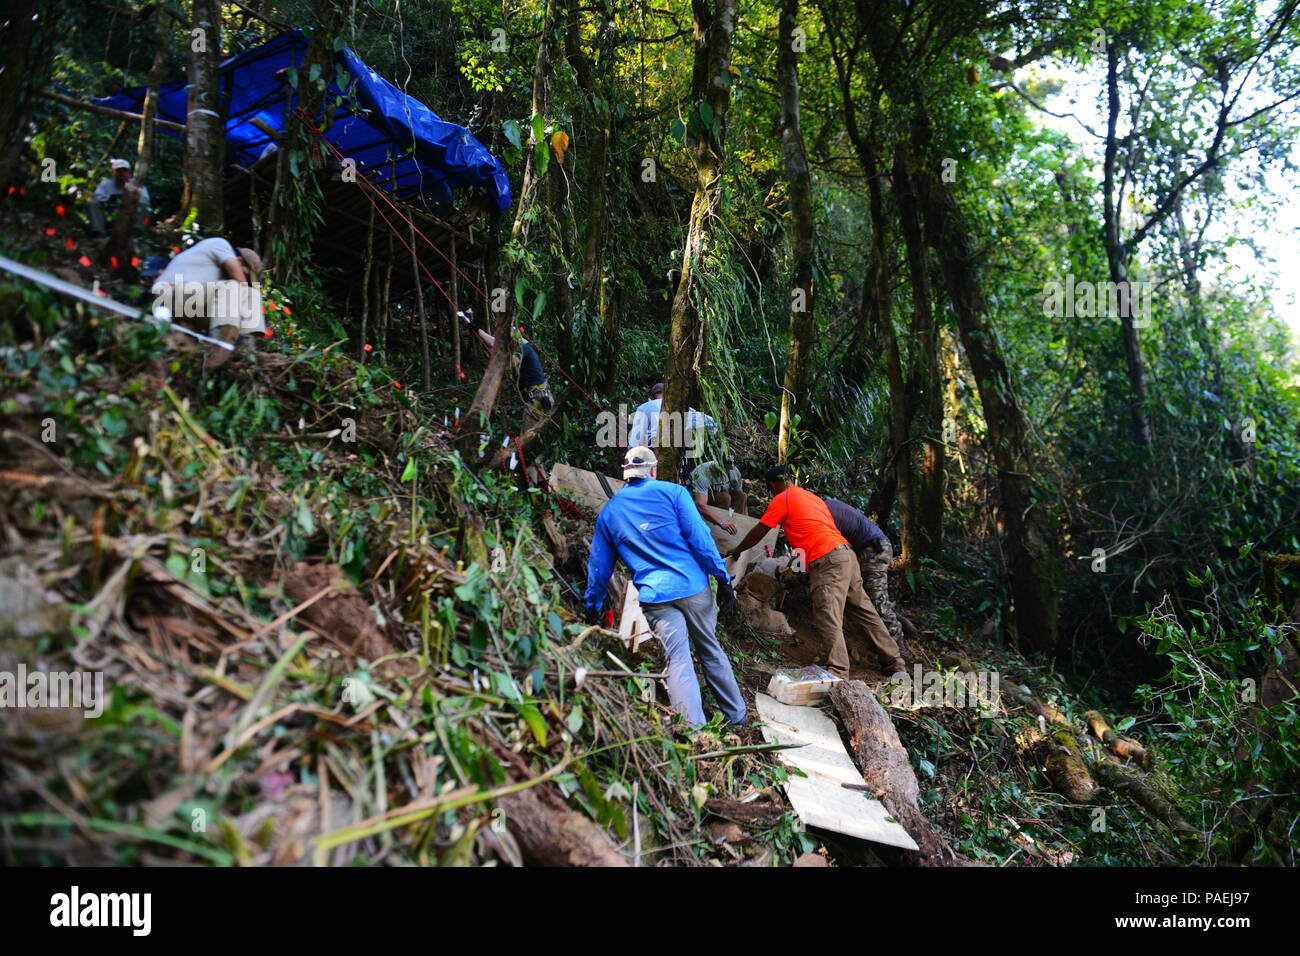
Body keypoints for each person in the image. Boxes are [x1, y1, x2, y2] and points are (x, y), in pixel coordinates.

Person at [584, 445, 745, 728]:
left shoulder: (609, 512)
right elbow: (700, 539)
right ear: (653, 471)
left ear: (626, 474)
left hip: (656, 598)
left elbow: (599, 567)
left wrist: (592, 606)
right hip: (693, 587)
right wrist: (722, 577)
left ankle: (694, 731)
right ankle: (737, 716)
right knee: (710, 649)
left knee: (678, 659)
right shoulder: (675, 493)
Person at [726, 465, 905, 678]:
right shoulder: (812, 498)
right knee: (864, 612)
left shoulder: (782, 498)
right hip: (847, 556)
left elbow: (759, 532)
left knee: (827, 612)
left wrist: (737, 550)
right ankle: (895, 663)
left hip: (827, 559)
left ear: (773, 485)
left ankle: (838, 671)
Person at [151, 238, 265, 371]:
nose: (245, 280)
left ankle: (246, 351)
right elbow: (237, 277)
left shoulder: (213, 278)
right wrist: (245, 293)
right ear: (239, 260)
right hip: (168, 293)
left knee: (250, 294)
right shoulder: (220, 244)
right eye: (245, 274)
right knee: (236, 287)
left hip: (187, 305)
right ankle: (218, 347)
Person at [823, 497, 906, 657]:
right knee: (863, 596)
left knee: (875, 599)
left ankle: (898, 645)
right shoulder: (826, 506)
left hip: (873, 548)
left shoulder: (825, 514)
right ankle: (900, 623)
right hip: (864, 548)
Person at [464, 311, 553, 430]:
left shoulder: (523, 348)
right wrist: (476, 329)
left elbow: (509, 364)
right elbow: (493, 342)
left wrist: (498, 355)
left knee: (529, 436)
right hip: (535, 397)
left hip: (538, 398)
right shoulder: (517, 346)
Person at [627, 382, 718, 479]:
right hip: (675, 456)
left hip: (652, 456)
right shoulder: (679, 407)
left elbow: (634, 442)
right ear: (669, 395)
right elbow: (711, 424)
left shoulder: (644, 408)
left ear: (651, 398)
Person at [89, 159, 151, 237]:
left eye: (124, 171)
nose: (122, 173)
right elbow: (96, 197)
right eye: (118, 171)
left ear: (129, 173)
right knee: (92, 204)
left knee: (146, 208)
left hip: (131, 216)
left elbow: (145, 199)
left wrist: (133, 198)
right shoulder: (105, 184)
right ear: (113, 172)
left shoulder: (136, 184)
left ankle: (138, 232)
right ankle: (98, 232)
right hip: (109, 215)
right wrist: (109, 199)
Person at [690, 456, 744, 535]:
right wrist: (721, 523)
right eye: (722, 467)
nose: (725, 470)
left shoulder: (734, 471)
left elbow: (740, 498)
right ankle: (719, 528)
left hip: (723, 499)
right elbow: (700, 504)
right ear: (716, 462)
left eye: (728, 468)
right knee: (724, 498)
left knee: (742, 496)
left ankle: (736, 526)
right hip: (699, 501)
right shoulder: (702, 472)